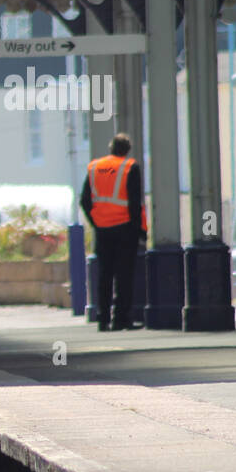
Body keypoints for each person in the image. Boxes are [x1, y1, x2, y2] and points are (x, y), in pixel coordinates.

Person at [80, 133, 148, 331]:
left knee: (104, 275)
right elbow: (135, 204)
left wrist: (96, 222)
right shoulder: (130, 168)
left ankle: (102, 319)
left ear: (111, 148)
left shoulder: (94, 167)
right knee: (124, 276)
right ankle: (121, 319)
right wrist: (140, 230)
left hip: (103, 230)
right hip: (125, 229)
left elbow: (84, 200)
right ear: (127, 150)